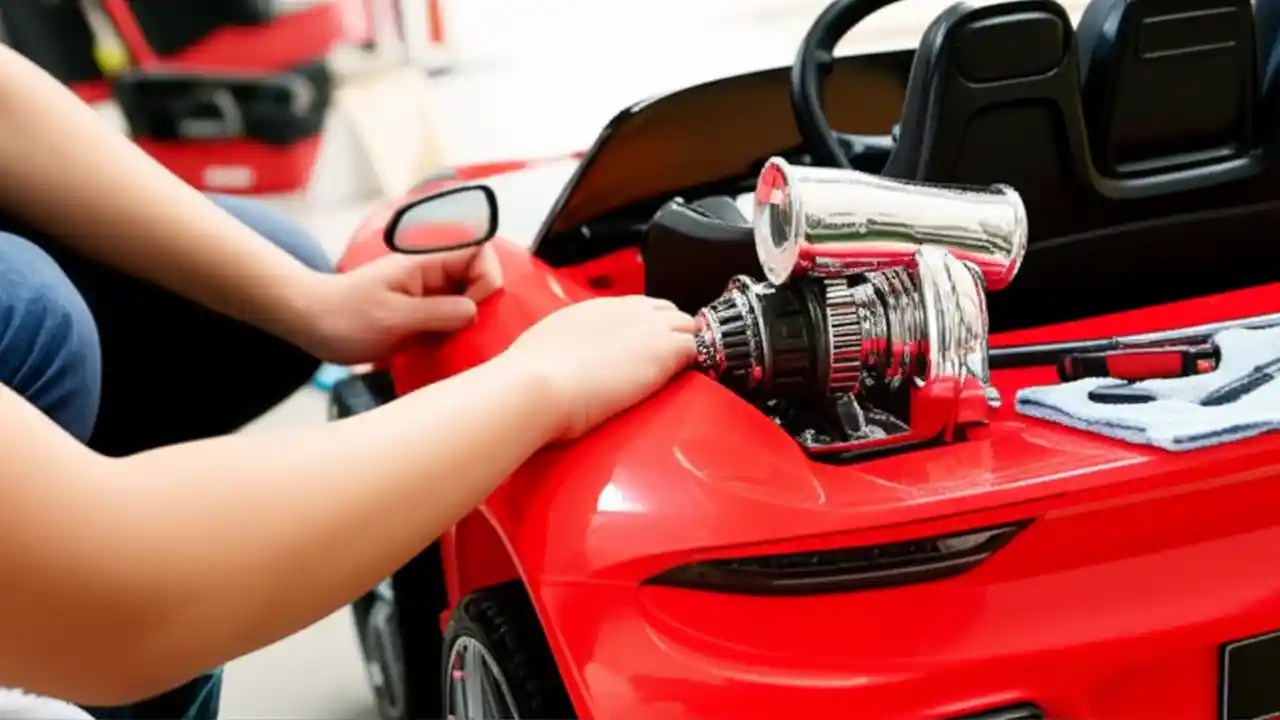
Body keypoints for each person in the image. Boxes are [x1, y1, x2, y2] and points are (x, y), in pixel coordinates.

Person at [0, 44, 697, 719]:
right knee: (36, 321)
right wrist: (539, 385)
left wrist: (313, 303)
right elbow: (126, 601)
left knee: (244, 300)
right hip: (106, 605)